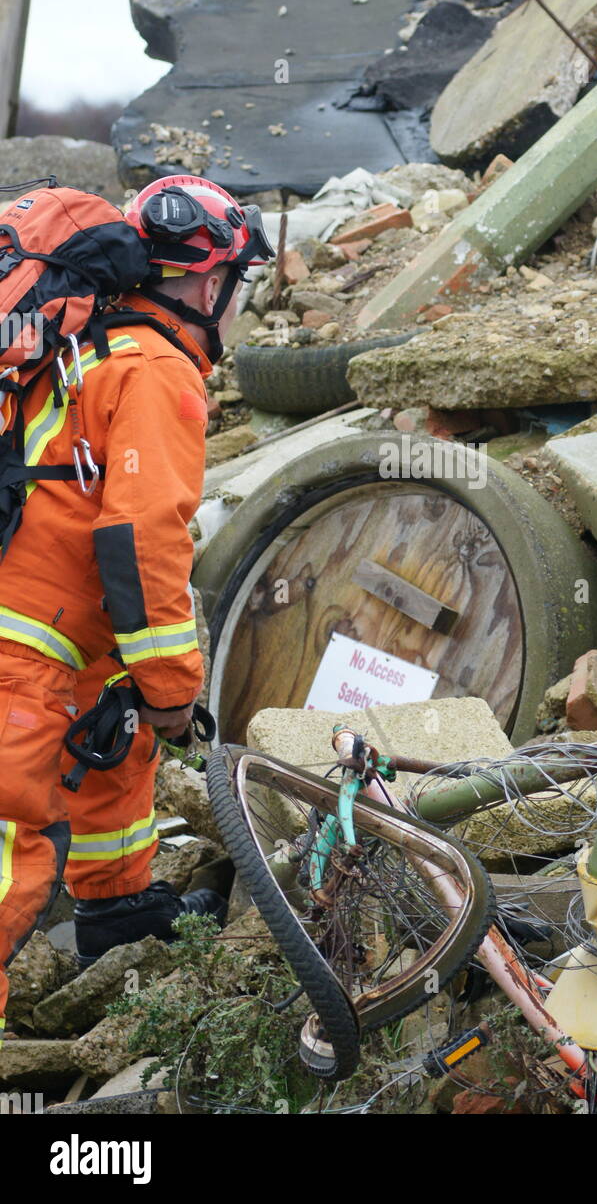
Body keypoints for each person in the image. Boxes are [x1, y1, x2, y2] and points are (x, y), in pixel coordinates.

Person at [0, 173, 273, 1032]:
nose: (240, 307)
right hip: (20, 650)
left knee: (110, 726)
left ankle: (116, 907)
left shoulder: (82, 344)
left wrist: (138, 693)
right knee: (7, 861)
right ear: (205, 282)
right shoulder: (156, 370)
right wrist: (175, 693)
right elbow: (141, 542)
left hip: (48, 630)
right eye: (241, 285)